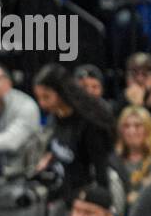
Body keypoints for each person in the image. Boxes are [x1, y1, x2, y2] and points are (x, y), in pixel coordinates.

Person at [32, 63, 118, 205]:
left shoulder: (90, 124)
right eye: (39, 97)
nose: (42, 103)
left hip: (85, 201)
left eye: (46, 97)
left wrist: (102, 208)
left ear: (61, 93)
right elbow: (60, 149)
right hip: (62, 195)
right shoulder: (56, 117)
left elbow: (101, 175)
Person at [112, 105, 151, 208]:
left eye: (137, 126)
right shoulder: (114, 159)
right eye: (126, 126)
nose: (131, 131)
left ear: (148, 129)